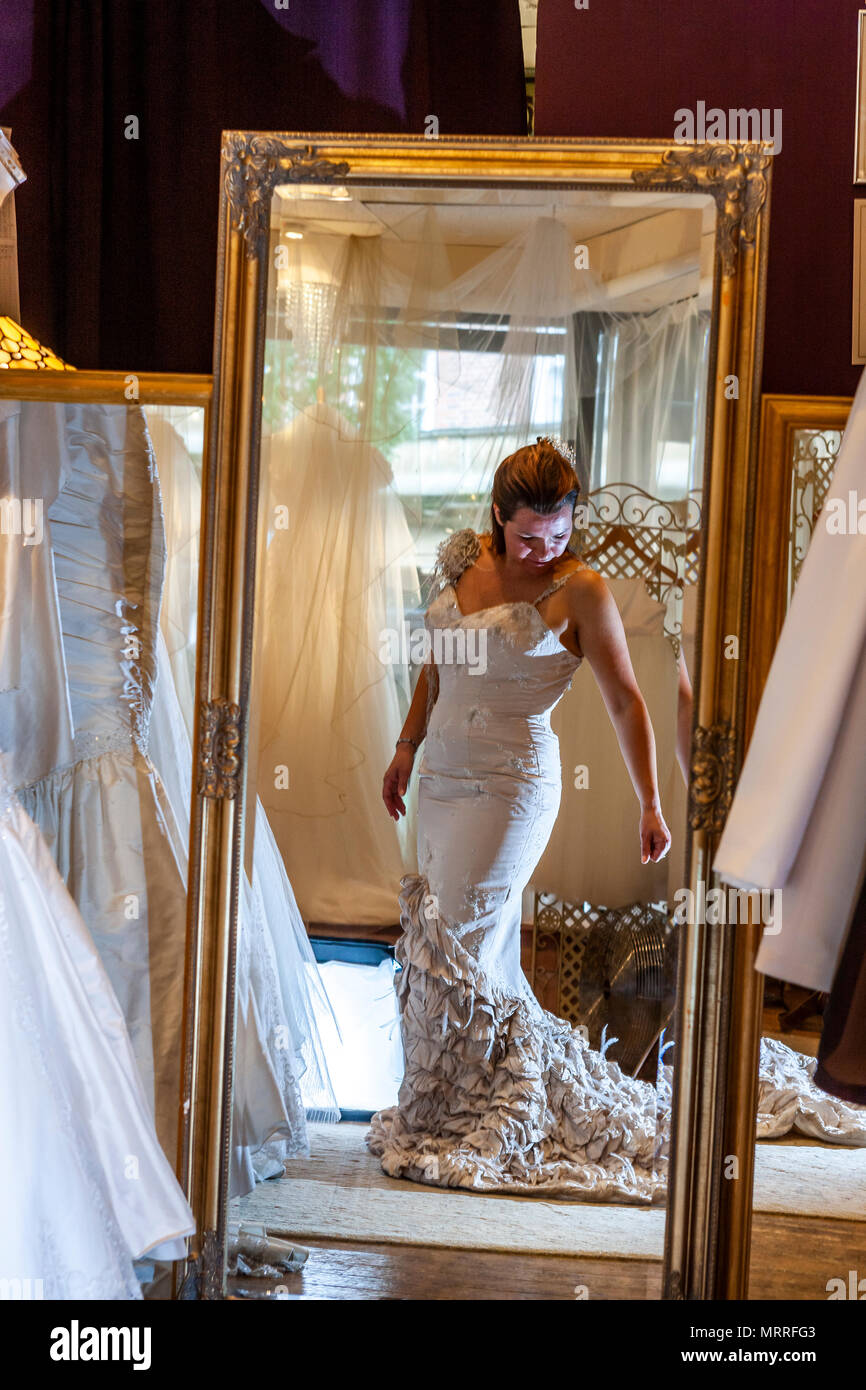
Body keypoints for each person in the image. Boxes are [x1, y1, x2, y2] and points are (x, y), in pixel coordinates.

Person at [367, 437, 866, 1204]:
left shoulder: (582, 592)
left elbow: (627, 699)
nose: (543, 550)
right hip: (439, 781)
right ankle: (441, 1103)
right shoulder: (463, 561)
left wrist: (651, 801)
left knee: (458, 941)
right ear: (499, 518)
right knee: (443, 940)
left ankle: (488, 1106)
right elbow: (437, 666)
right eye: (529, 535)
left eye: (559, 535)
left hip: (510, 788)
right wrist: (406, 746)